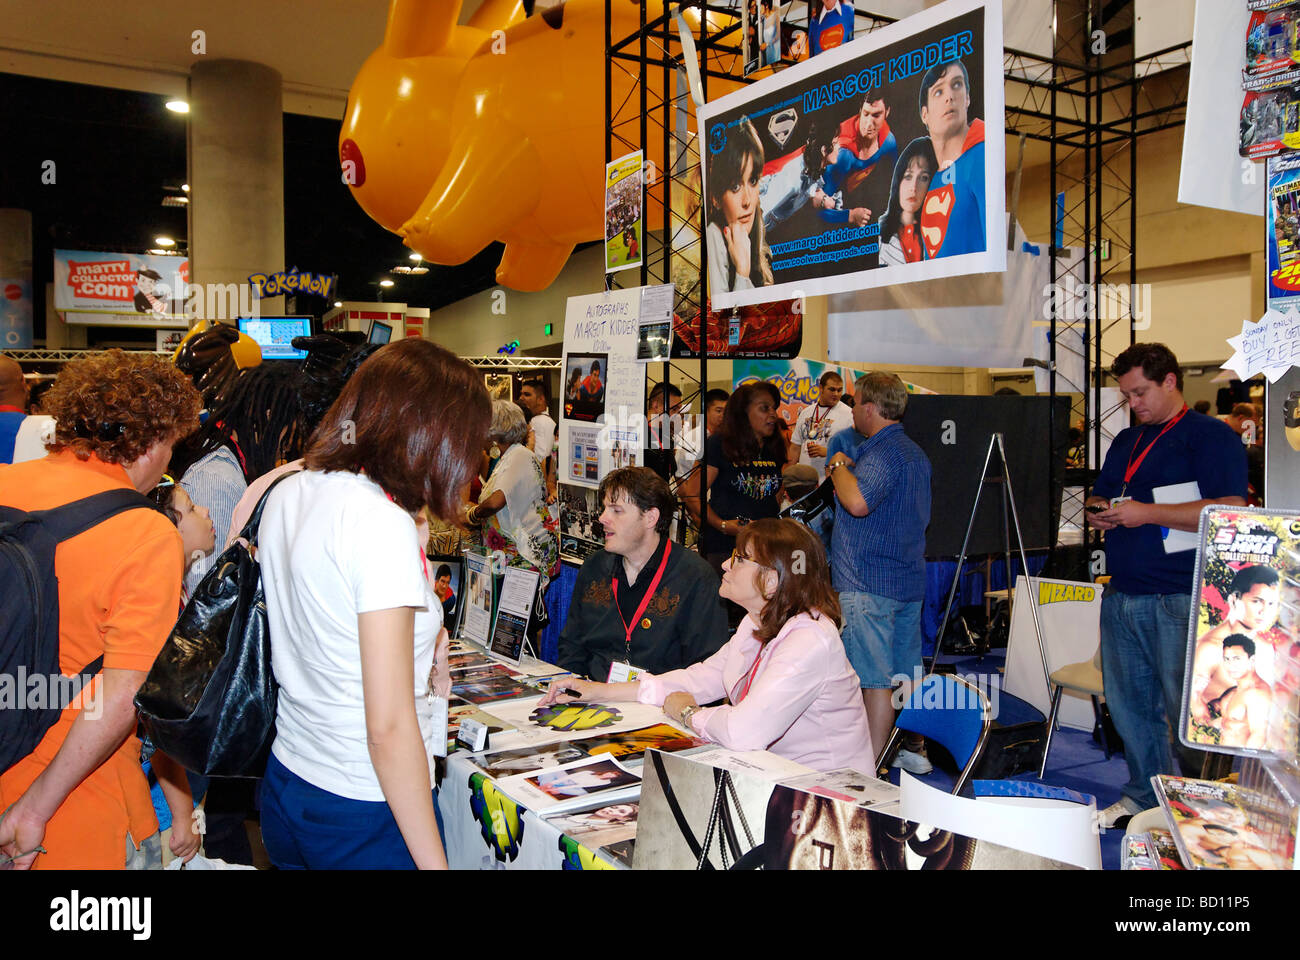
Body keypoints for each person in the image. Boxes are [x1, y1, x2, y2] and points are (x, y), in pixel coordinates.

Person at [258, 339, 491, 870]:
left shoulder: (294, 490)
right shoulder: (376, 522)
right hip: (362, 803)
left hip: (290, 774)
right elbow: (387, 727)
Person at [0, 350, 202, 869]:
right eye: (171, 448)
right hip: (71, 806)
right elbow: (124, 691)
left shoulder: (5, 484)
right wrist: (33, 810)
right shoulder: (146, 532)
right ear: (153, 441)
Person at [542, 518, 875, 774]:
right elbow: (695, 679)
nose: (727, 565)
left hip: (825, 802)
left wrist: (689, 713)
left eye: (740, 559)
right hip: (774, 781)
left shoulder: (810, 640)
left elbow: (743, 731)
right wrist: (596, 691)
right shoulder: (756, 623)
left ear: (772, 581)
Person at [1085, 343, 1247, 827]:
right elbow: (1104, 489)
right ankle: (1145, 796)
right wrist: (1102, 511)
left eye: (1140, 392)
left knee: (1190, 715)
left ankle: (1207, 807)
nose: (1133, 403)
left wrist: (1144, 513)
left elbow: (1228, 510)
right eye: (1127, 395)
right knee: (1131, 708)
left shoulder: (1211, 437)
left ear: (1171, 381)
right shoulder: (1126, 441)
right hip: (1123, 593)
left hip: (1183, 597)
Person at [826, 372, 932, 771]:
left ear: (869, 408)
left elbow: (856, 502)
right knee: (903, 676)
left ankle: (866, 767)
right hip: (905, 581)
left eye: (854, 404)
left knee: (872, 681)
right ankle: (908, 749)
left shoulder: (883, 452)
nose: (851, 411)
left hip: (868, 583)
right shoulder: (915, 454)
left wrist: (837, 465)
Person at [557, 467, 728, 682]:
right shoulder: (594, 567)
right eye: (604, 509)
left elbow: (708, 668)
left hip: (659, 705)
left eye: (616, 510)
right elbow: (572, 645)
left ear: (650, 518)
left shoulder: (695, 577)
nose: (602, 518)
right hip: (595, 698)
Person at [682, 380, 785, 573]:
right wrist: (722, 525)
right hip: (725, 548)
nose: (773, 414)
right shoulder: (719, 443)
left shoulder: (774, 446)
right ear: (744, 412)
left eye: (774, 408)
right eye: (764, 408)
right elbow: (692, 494)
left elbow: (777, 491)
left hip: (766, 547)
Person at [466, 400, 559, 580]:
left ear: (494, 433)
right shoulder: (511, 457)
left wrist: (472, 515)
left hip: (524, 555)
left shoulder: (519, 456)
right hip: (513, 555)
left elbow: (495, 502)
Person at [1190, 565, 1290, 729]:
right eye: (1257, 601)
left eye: (1272, 603)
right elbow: (1195, 712)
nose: (1265, 611)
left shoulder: (1265, 647)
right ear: (1234, 600)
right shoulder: (1208, 649)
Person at [917, 58, 986, 259]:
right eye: (938, 91)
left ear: (967, 98)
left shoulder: (981, 156)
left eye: (957, 85)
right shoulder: (932, 178)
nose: (950, 96)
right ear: (925, 114)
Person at [706, 116, 773, 294]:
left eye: (753, 180)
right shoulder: (713, 234)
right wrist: (742, 273)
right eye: (735, 187)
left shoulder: (756, 229)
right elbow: (722, 320)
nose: (747, 201)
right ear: (716, 198)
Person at [878, 137, 938, 266]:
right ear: (898, 181)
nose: (914, 187)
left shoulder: (936, 232)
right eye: (908, 176)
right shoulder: (877, 232)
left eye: (924, 178)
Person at [788, 371, 854, 480]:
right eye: (832, 389)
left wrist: (828, 452)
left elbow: (856, 452)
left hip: (832, 481)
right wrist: (788, 477)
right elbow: (795, 447)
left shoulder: (849, 415)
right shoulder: (806, 412)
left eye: (839, 390)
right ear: (821, 388)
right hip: (805, 481)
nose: (836, 394)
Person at [1215, 635, 1272, 750]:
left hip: (1237, 761)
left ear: (1251, 660)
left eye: (1237, 659)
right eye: (1227, 659)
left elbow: (1259, 735)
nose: (1231, 665)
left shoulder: (1257, 693)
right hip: (1221, 754)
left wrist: (1241, 763)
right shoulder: (1233, 691)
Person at [836, 94, 897, 199]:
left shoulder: (889, 141)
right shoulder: (842, 153)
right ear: (860, 110)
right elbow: (818, 208)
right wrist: (849, 215)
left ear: (887, 112)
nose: (868, 124)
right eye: (866, 114)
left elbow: (896, 184)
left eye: (876, 115)